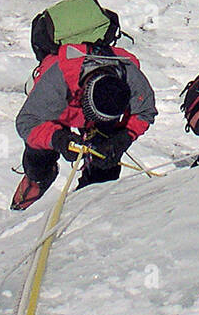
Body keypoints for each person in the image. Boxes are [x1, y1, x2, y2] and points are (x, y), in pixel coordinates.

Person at [11, 39, 157, 210]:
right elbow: (27, 122)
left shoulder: (132, 79)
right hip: (57, 110)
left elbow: (145, 112)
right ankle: (38, 177)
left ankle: (86, 207)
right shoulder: (57, 78)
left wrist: (124, 137)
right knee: (39, 153)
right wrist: (58, 138)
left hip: (101, 112)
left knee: (105, 162)